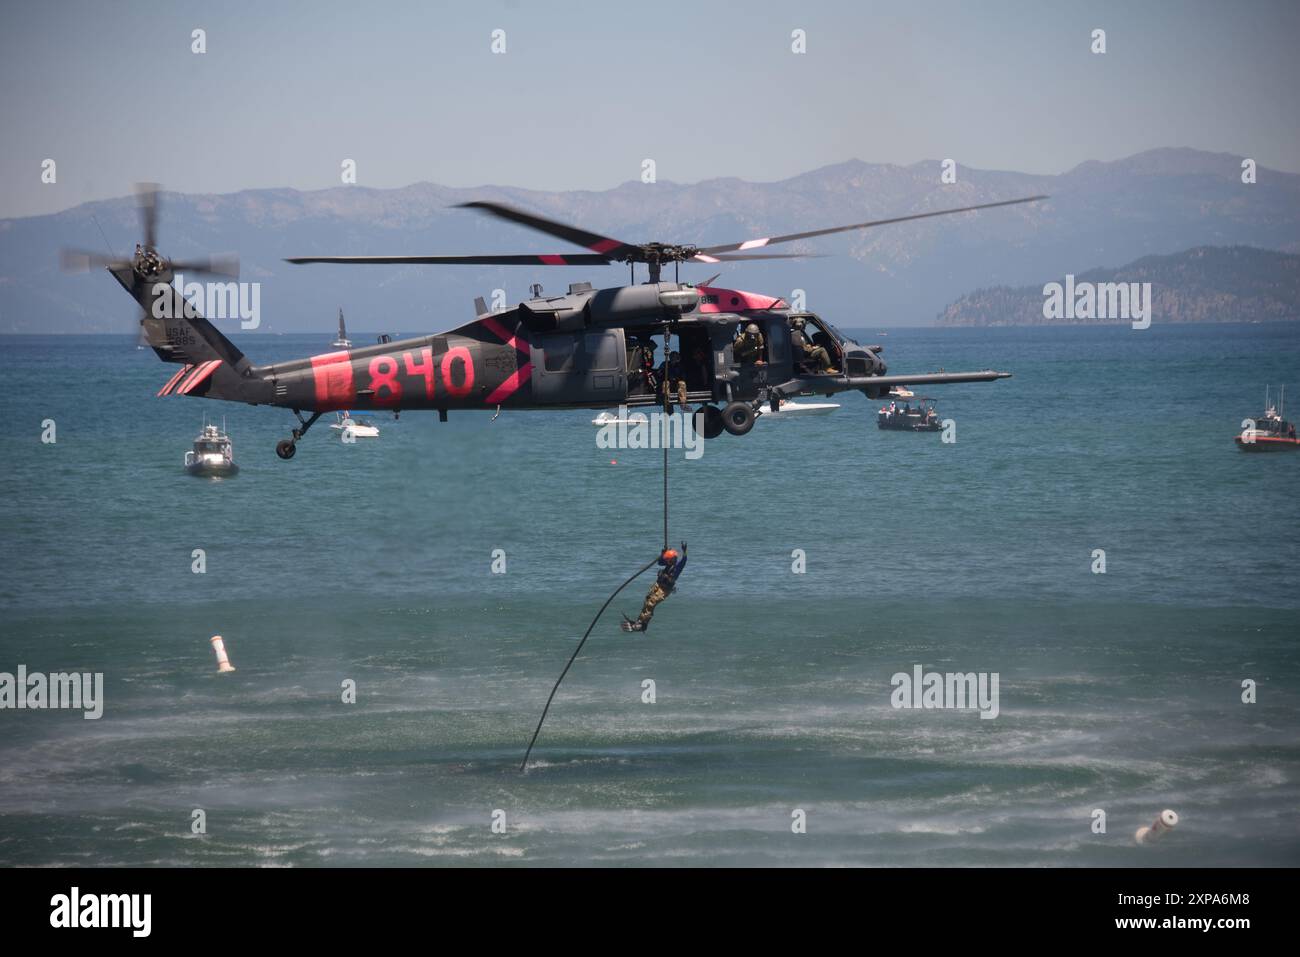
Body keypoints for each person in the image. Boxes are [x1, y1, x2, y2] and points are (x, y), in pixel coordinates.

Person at [621, 543, 688, 633]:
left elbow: (684, 561)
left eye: (668, 560)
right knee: (647, 600)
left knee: (651, 604)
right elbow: (660, 562)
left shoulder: (677, 568)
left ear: (672, 560)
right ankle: (640, 620)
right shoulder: (668, 564)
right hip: (658, 584)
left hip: (664, 590)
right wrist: (663, 553)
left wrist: (685, 551)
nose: (667, 562)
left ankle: (643, 625)